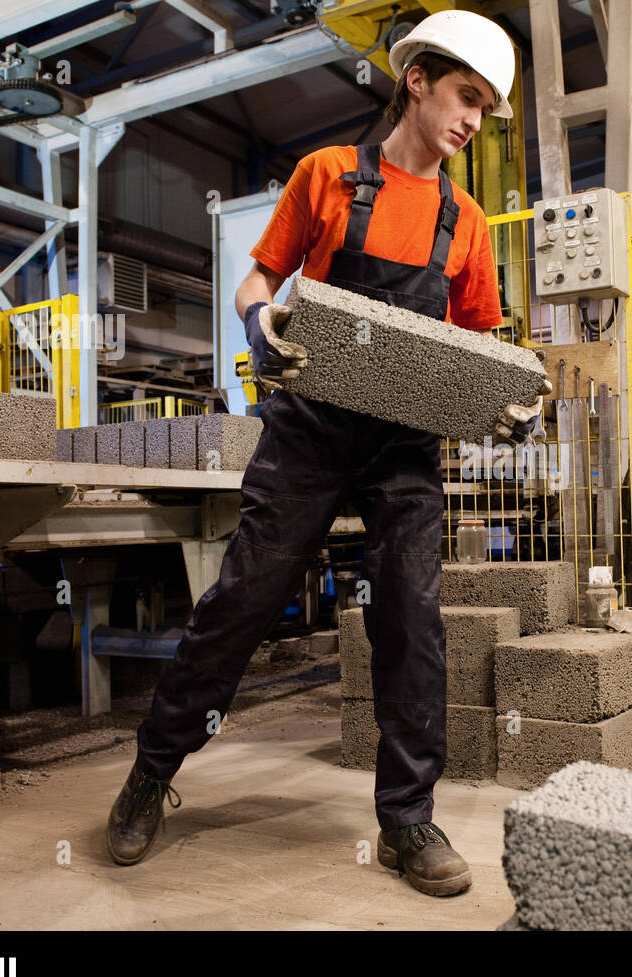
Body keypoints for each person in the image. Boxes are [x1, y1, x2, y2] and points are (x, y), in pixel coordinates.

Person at [105, 9, 549, 897]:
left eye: (487, 107)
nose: (472, 120)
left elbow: (483, 345)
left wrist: (512, 401)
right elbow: (259, 278)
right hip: (309, 426)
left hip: (403, 446)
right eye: (466, 96)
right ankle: (151, 774)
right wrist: (253, 320)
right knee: (241, 601)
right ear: (417, 79)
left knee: (411, 626)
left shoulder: (464, 221)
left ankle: (408, 823)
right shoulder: (328, 177)